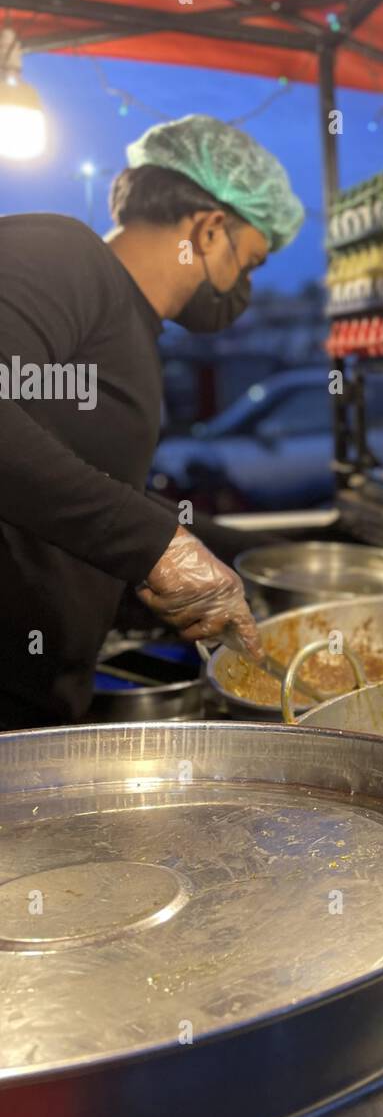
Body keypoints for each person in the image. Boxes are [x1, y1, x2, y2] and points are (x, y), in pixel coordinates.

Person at [0, 114, 304, 729]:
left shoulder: (134, 329)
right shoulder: (62, 254)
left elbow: (79, 484)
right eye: (249, 264)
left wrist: (264, 556)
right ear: (211, 228)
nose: (244, 289)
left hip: (42, 697)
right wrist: (154, 546)